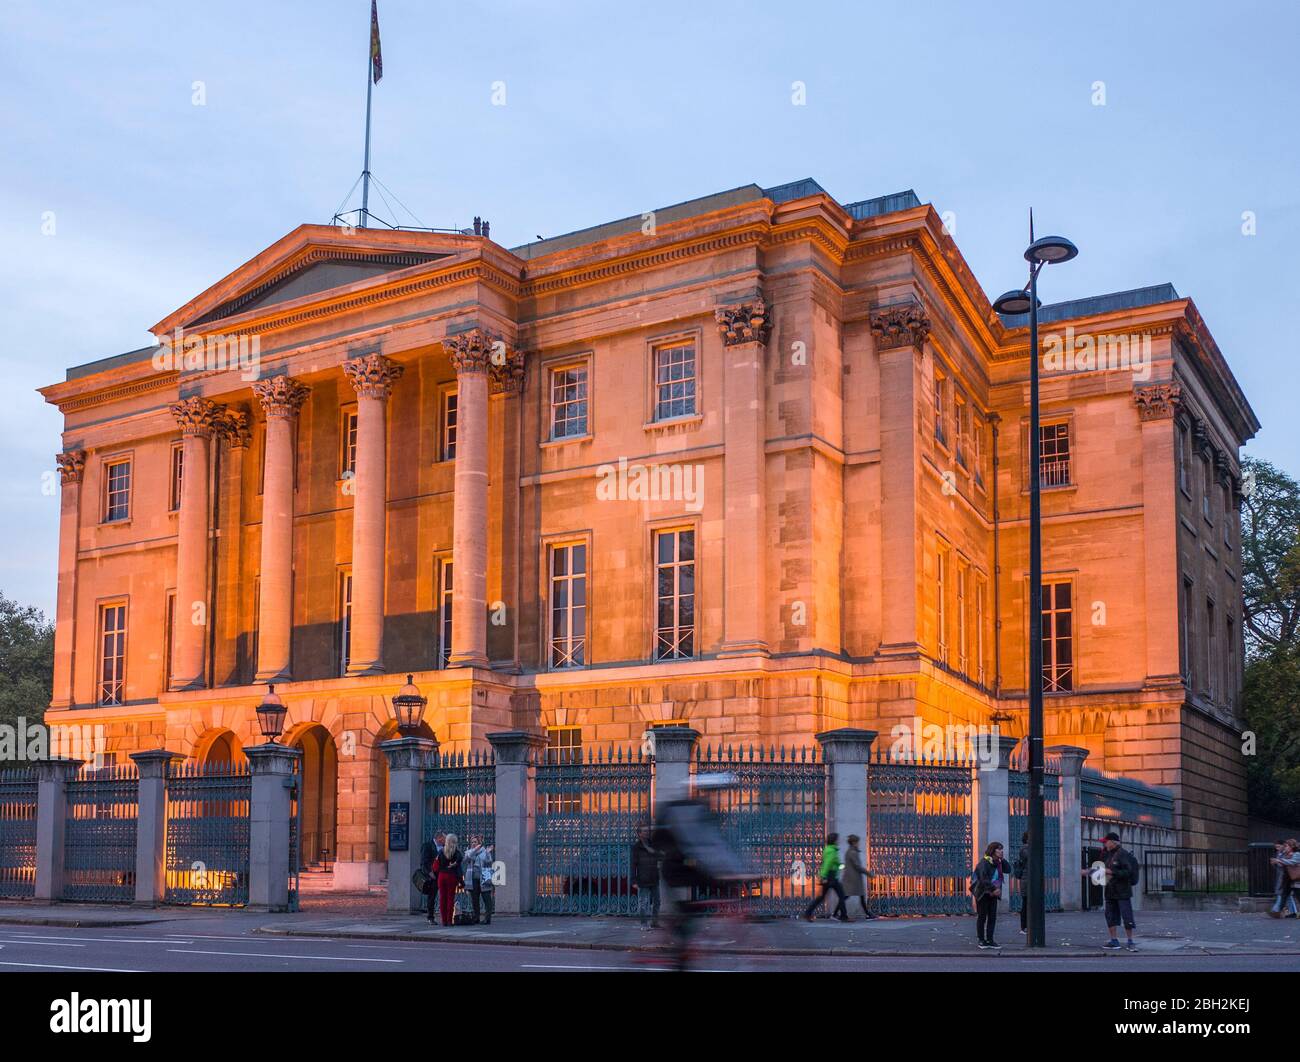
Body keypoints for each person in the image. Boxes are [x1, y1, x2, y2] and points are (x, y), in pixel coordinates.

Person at [1083, 831, 1140, 951]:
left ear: (1112, 842)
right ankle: (1114, 940)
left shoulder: (1123, 854)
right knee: (1110, 916)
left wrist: (1112, 872)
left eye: (1106, 842)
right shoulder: (1107, 854)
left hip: (1123, 891)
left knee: (1126, 915)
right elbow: (1102, 870)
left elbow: (1127, 872)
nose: (1104, 844)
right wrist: (1088, 872)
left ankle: (1130, 941)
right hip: (1110, 890)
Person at [970, 841, 1012, 949]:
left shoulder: (998, 863)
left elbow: (1008, 869)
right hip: (983, 893)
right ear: (993, 851)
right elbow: (983, 879)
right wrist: (994, 889)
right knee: (982, 917)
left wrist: (1002, 860)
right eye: (999, 849)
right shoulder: (984, 862)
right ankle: (981, 940)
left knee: (992, 917)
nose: (1001, 851)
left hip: (993, 893)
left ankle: (990, 939)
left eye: (1002, 849)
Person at [804, 832, 849, 922]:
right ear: (834, 840)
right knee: (842, 895)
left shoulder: (829, 849)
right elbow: (828, 864)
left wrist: (840, 865)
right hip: (830, 877)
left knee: (822, 897)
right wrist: (823, 876)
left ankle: (808, 913)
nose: (838, 841)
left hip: (830, 876)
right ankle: (844, 916)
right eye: (837, 839)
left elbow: (832, 863)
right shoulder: (832, 851)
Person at [630, 826, 662, 930]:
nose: (647, 832)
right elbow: (633, 865)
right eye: (644, 831)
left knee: (657, 901)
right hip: (643, 879)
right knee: (643, 903)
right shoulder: (636, 847)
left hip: (654, 877)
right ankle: (643, 924)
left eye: (648, 831)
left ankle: (654, 922)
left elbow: (659, 856)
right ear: (639, 834)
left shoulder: (653, 844)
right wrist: (633, 880)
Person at [432, 832, 464, 927]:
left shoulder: (441, 851)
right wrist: (461, 881)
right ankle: (449, 921)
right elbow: (459, 864)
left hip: (442, 876)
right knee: (450, 898)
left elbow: (435, 866)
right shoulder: (457, 852)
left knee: (442, 898)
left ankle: (444, 921)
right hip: (452, 876)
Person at [841, 834, 876, 920]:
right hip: (853, 879)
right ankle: (868, 914)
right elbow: (857, 866)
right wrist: (869, 873)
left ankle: (868, 913)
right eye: (857, 842)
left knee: (858, 896)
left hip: (853, 878)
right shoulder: (852, 852)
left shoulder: (851, 851)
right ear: (853, 842)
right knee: (848, 896)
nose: (858, 844)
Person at [464, 836, 495, 925]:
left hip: (484, 877)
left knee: (486, 898)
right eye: (472, 842)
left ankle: (487, 918)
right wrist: (474, 850)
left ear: (480, 843)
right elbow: (465, 859)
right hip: (472, 878)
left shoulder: (485, 851)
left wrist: (486, 853)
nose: (473, 844)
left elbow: (489, 861)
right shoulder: (469, 852)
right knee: (475, 899)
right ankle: (476, 917)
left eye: (475, 842)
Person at [1270, 839, 1300, 918]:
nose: (1285, 847)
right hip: (1288, 879)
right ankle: (1277, 912)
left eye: (1286, 846)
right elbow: (1282, 866)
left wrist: (1279, 860)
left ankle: (1278, 911)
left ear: (1292, 846)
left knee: (1298, 896)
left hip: (1296, 879)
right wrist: (1276, 862)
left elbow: (1292, 862)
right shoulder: (1286, 854)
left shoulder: (1297, 854)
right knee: (1284, 895)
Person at [1013, 831, 1030, 934]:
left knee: (1028, 903)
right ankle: (1024, 927)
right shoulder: (1024, 849)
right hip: (1026, 880)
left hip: (1028, 879)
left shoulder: (1027, 849)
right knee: (1026, 903)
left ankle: (1027, 926)